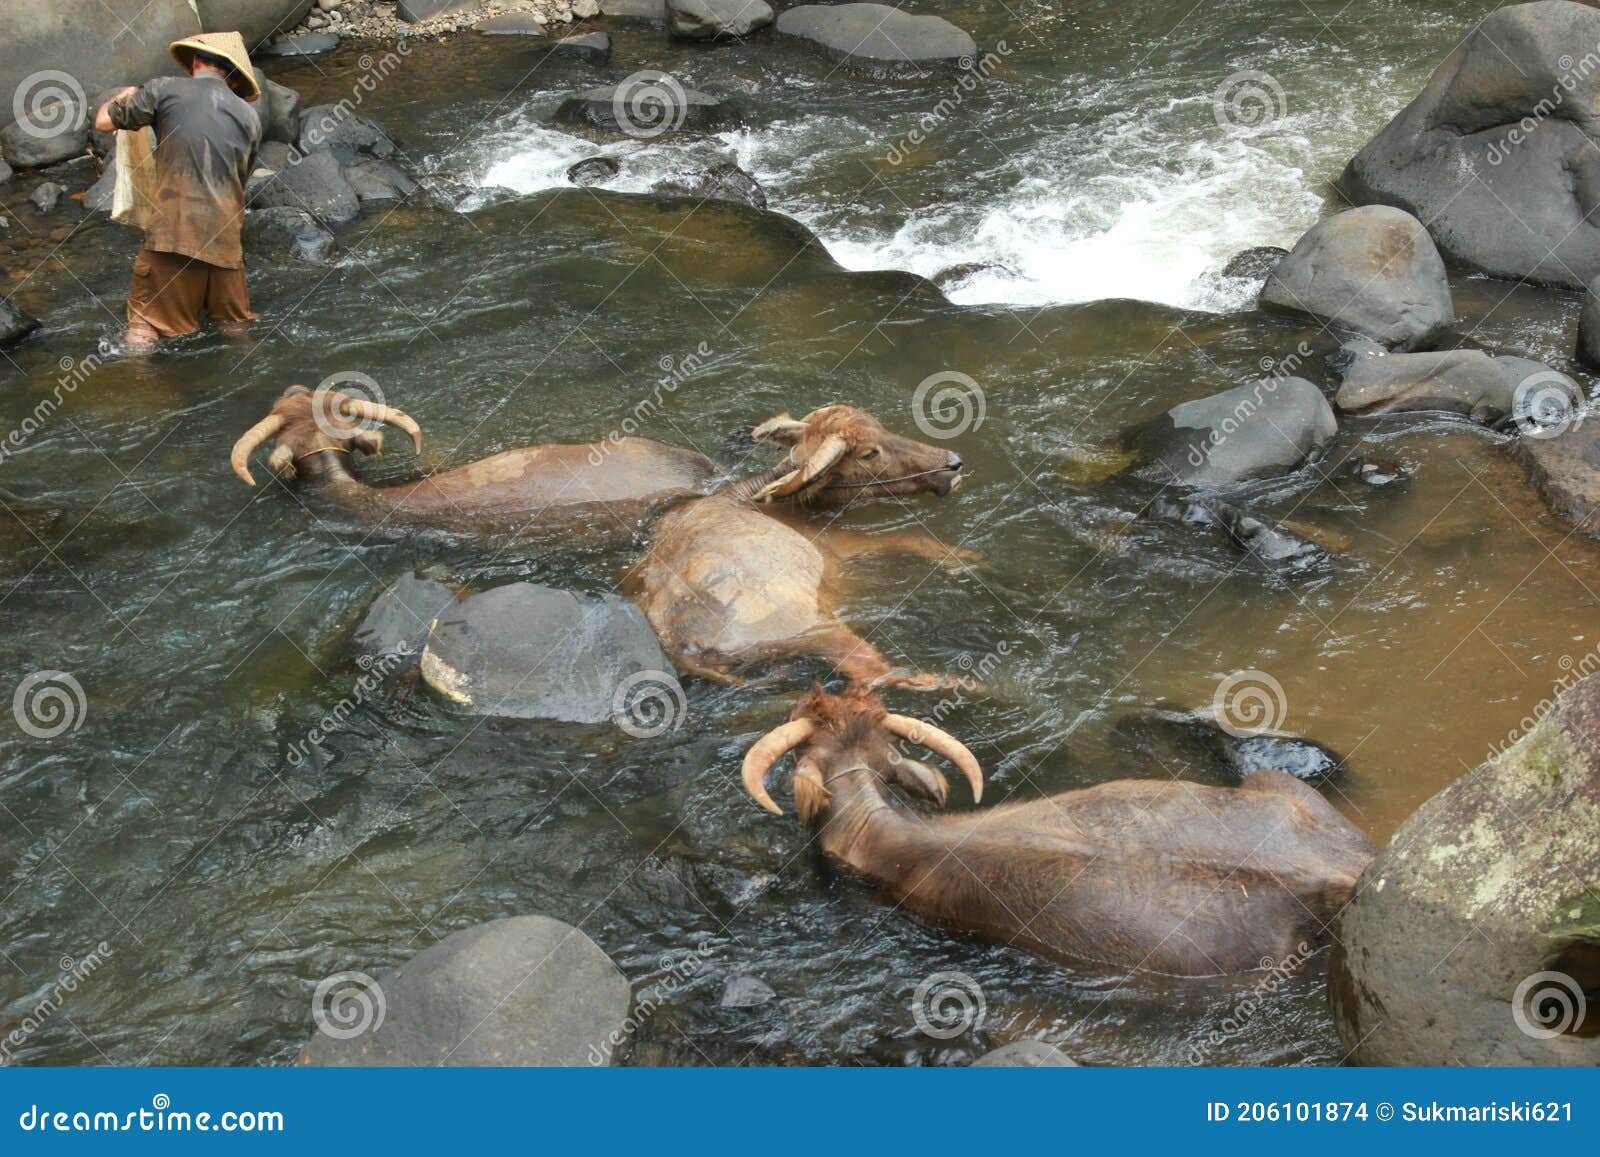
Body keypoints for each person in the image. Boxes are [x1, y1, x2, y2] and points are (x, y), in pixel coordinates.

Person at [93, 32, 263, 351]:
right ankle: (248, 386)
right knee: (234, 327)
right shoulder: (250, 117)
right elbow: (242, 179)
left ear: (196, 61)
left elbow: (103, 122)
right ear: (235, 80)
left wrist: (127, 95)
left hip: (174, 234)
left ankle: (140, 392)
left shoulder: (164, 89)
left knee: (145, 326)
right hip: (227, 241)